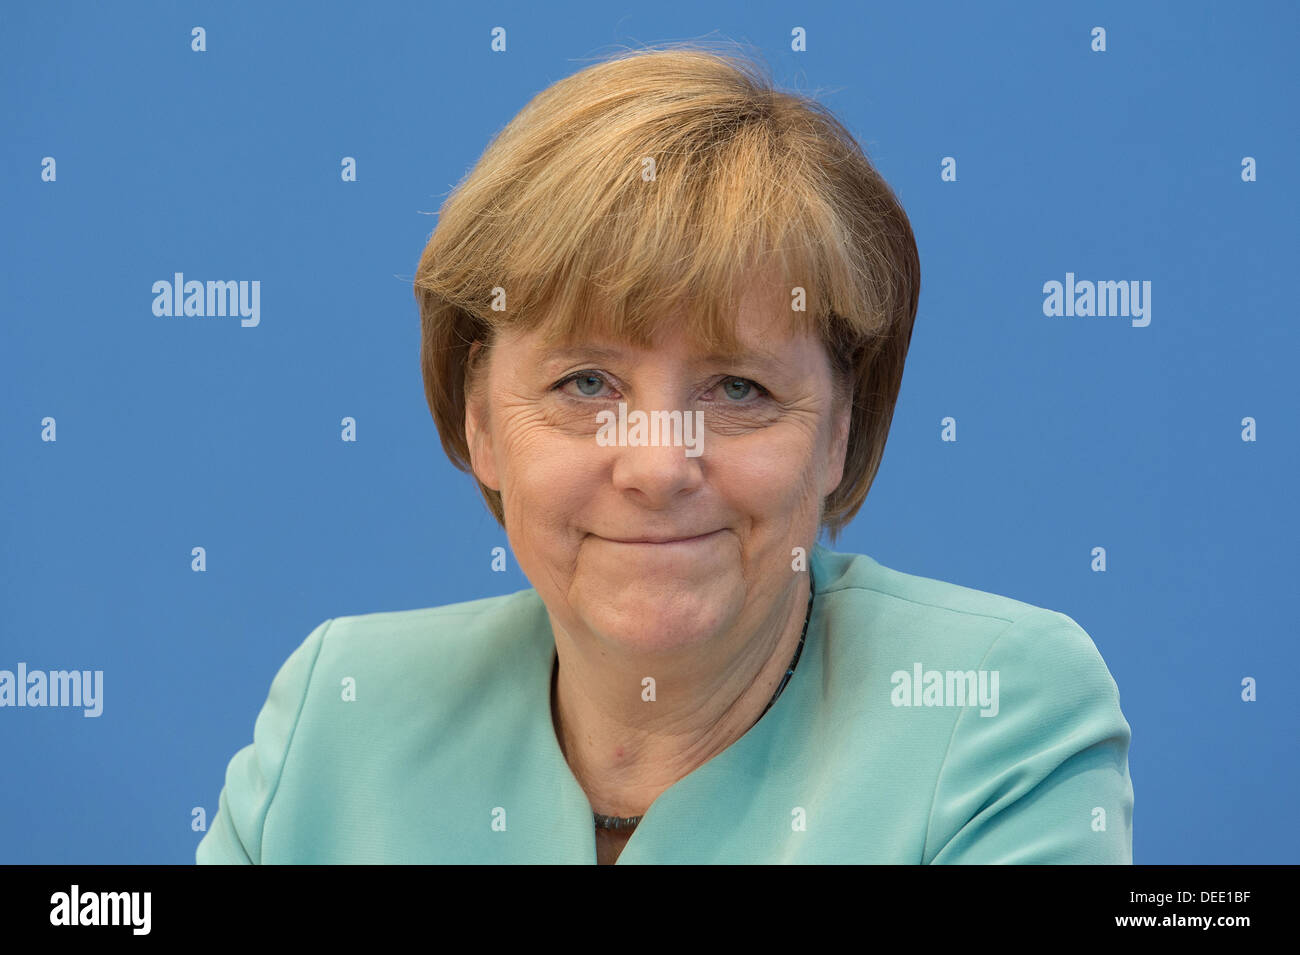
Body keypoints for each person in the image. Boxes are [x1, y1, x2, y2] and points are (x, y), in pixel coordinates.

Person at [197, 44, 1132, 864]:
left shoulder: (992, 711)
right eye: (586, 385)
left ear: (840, 430)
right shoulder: (341, 709)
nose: (656, 467)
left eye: (738, 391)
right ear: (479, 418)